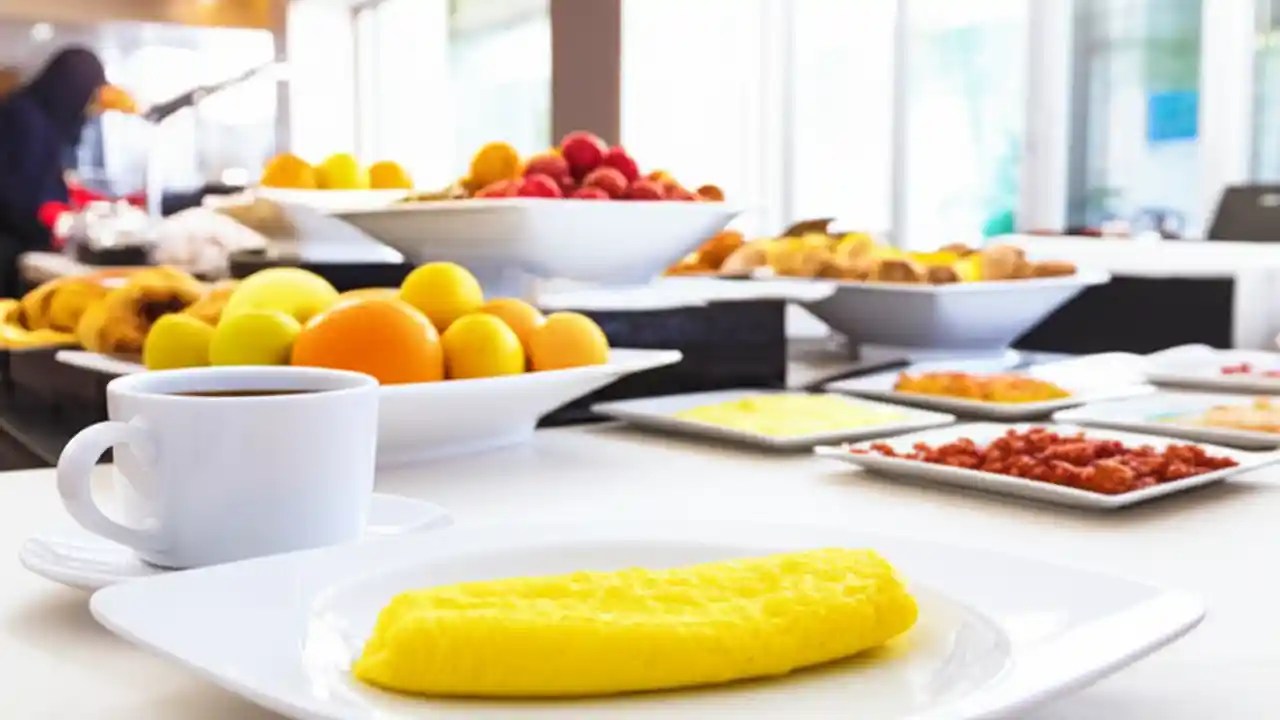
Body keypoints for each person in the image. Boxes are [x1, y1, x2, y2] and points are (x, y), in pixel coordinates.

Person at [0, 48, 108, 296]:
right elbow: (18, 189)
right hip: (9, 242)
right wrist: (51, 215)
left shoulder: (40, 115)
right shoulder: (26, 118)